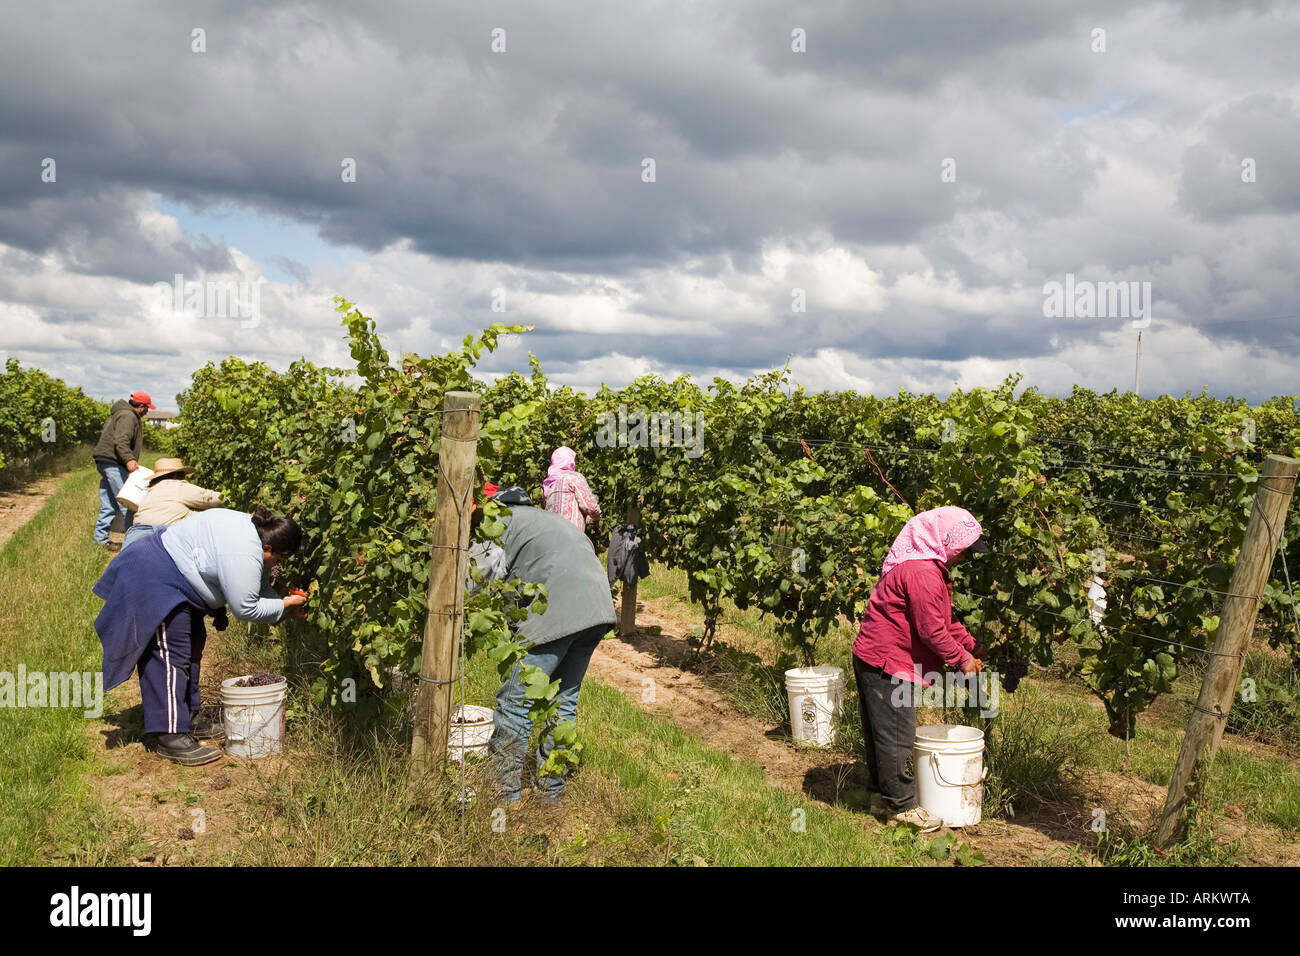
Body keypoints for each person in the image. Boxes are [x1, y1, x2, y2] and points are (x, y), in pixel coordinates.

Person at [93, 505, 307, 765]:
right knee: (170, 656)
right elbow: (246, 607)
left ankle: (189, 718)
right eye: (280, 561)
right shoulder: (244, 551)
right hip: (155, 576)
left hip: (175, 576)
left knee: (192, 645)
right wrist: (285, 606)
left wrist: (285, 607)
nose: (278, 567)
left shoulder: (257, 535)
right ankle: (170, 736)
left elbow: (257, 588)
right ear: (270, 550)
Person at [471, 483, 616, 805]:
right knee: (562, 704)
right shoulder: (541, 518)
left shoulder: (496, 523)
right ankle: (551, 796)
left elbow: (476, 582)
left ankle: (502, 799)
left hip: (558, 611)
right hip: (597, 609)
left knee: (515, 704)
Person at [851, 505, 989, 831]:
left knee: (879, 734)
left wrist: (970, 645)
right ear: (946, 542)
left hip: (875, 656)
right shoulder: (922, 574)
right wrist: (962, 660)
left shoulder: (927, 569)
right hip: (889, 663)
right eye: (964, 551)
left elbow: (945, 621)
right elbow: (932, 632)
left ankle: (879, 797)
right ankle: (903, 807)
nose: (964, 558)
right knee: (896, 736)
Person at [92, 391, 154, 548]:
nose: (147, 412)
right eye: (147, 408)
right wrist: (129, 459)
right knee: (127, 502)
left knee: (108, 504)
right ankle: (133, 544)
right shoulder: (128, 416)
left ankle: (100, 541)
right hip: (113, 462)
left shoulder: (121, 413)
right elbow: (121, 440)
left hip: (105, 461)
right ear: (141, 406)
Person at [120, 458, 223, 551]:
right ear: (176, 474)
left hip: (135, 534)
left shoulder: (151, 490)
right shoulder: (179, 486)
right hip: (162, 536)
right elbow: (214, 499)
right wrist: (231, 499)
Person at [541, 446, 602, 531]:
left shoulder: (549, 485)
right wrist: (596, 518)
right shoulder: (573, 477)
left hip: (553, 538)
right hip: (572, 536)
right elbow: (591, 507)